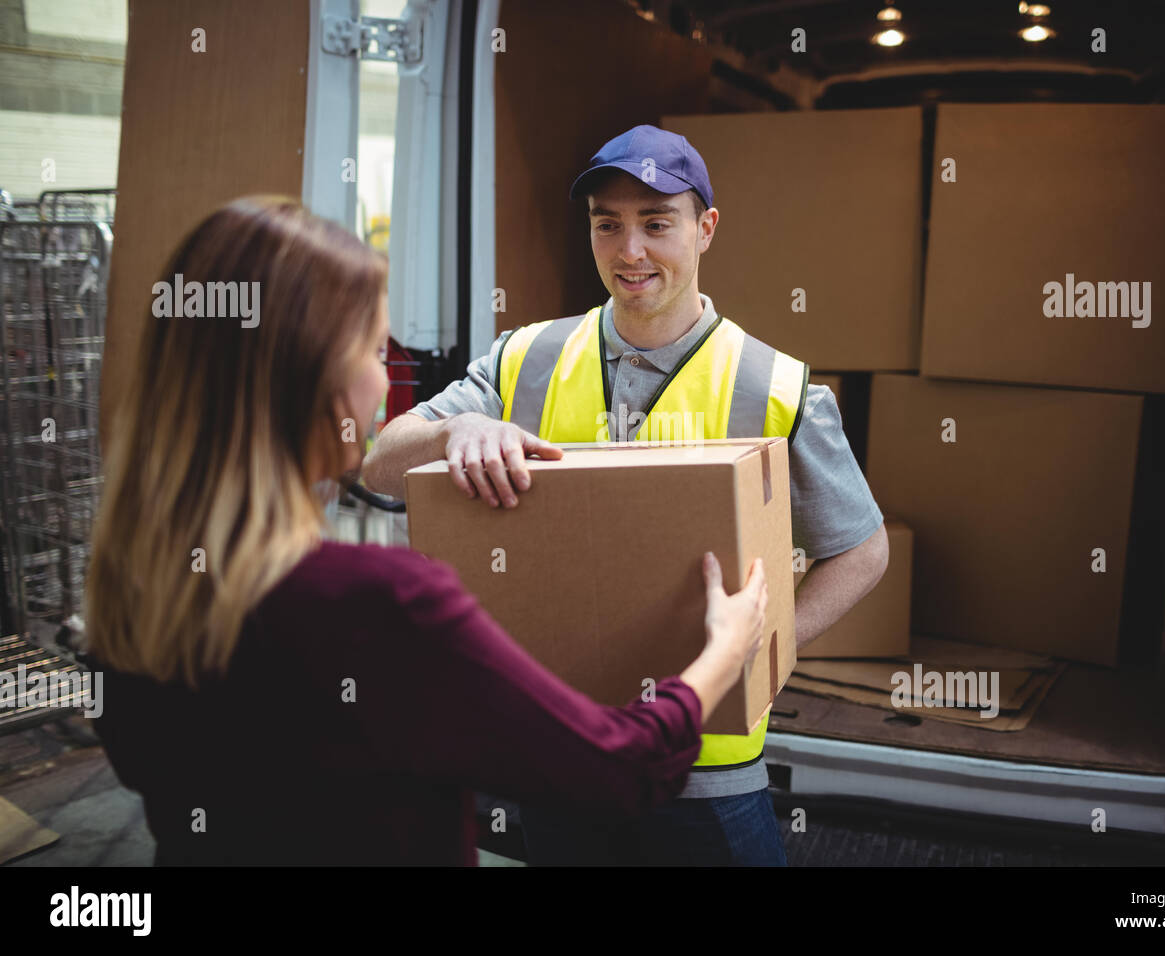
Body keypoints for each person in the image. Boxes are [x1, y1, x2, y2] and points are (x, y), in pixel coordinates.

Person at [82, 195, 770, 866]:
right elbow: (619, 771)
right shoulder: (381, 604)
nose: (385, 384)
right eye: (374, 352)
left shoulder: (130, 583)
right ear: (314, 381)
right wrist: (722, 654)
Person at [363, 125, 890, 866]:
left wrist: (769, 649)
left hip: (710, 774)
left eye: (656, 223)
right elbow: (379, 463)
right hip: (561, 754)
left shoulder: (774, 386)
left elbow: (863, 550)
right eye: (606, 224)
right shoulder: (523, 361)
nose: (630, 250)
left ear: (705, 229)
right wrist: (458, 431)